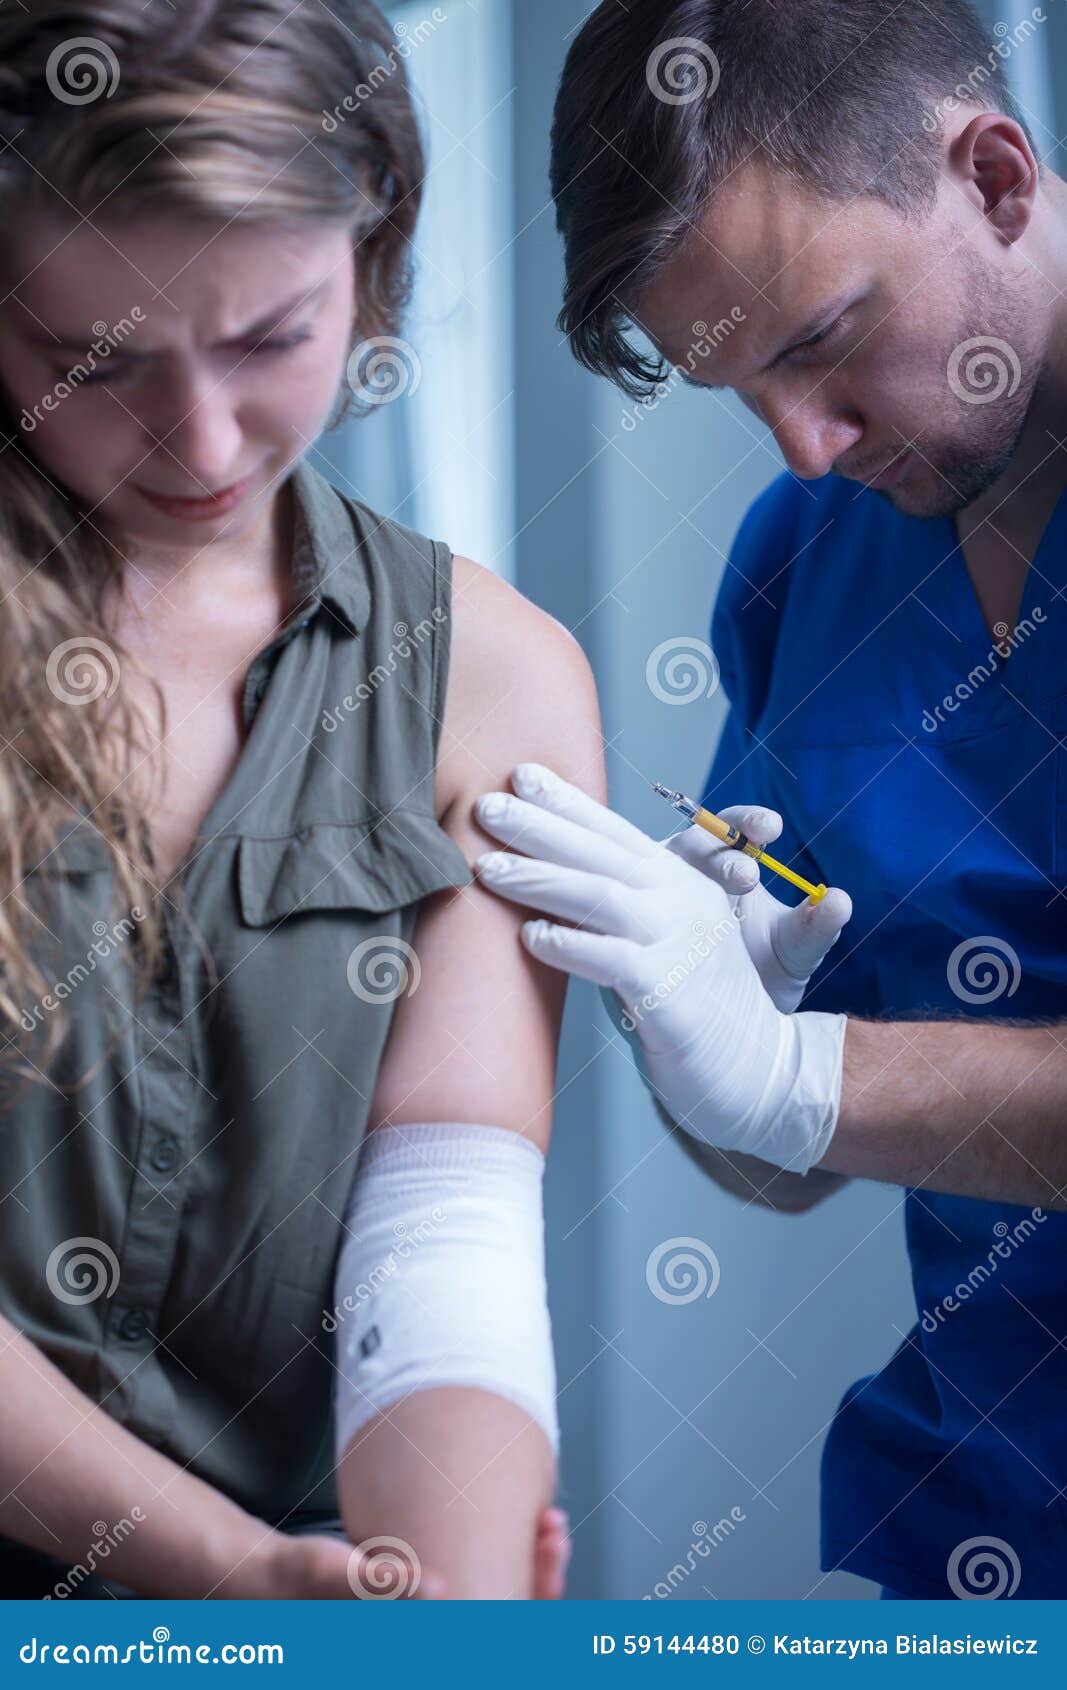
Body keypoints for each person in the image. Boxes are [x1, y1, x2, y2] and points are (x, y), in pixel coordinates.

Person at [0, 0, 598, 1599]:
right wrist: (230, 1565)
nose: (201, 443)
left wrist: (439, 1606)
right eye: (96, 363)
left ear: (376, 248)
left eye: (272, 338)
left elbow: (446, 1233)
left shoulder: (495, 676)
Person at [475, 0, 1067, 1601]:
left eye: (817, 343)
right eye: (738, 390)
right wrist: (701, 1024)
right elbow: (786, 1156)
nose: (803, 449)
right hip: (984, 1519)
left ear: (998, 177)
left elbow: (818, 1091)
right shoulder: (808, 568)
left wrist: (798, 1070)